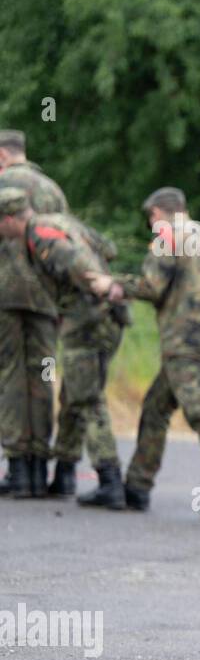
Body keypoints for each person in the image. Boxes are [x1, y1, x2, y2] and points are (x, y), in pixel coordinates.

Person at [84, 187, 200, 516]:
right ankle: (137, 487)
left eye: (150, 217)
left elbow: (152, 286)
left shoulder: (169, 237)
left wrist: (112, 285)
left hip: (184, 341)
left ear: (157, 213)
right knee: (155, 408)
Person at [0, 188, 121, 498]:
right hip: (100, 317)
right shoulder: (60, 221)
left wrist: (97, 290)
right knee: (72, 391)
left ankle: (110, 480)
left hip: (87, 318)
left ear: (11, 219)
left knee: (85, 396)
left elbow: (79, 263)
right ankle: (65, 472)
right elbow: (107, 249)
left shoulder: (39, 234)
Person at [0, 130, 67, 498]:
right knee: (42, 374)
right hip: (45, 296)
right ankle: (41, 465)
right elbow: (65, 238)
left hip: (5, 297)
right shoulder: (51, 189)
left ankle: (18, 468)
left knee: (10, 375)